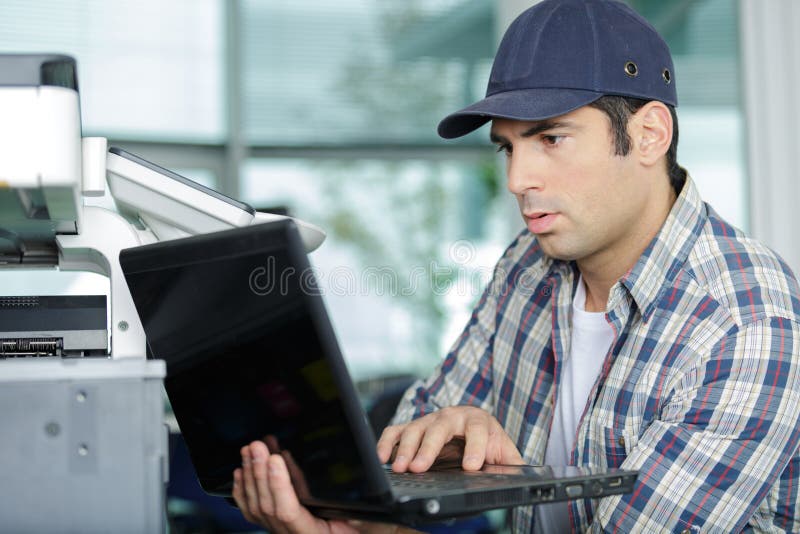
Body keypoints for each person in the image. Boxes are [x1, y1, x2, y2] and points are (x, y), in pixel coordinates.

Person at [233, 0, 800, 532]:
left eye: (551, 138)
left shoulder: (747, 324)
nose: (516, 181)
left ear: (649, 134)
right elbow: (408, 444)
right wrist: (445, 454)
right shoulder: (528, 268)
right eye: (507, 147)